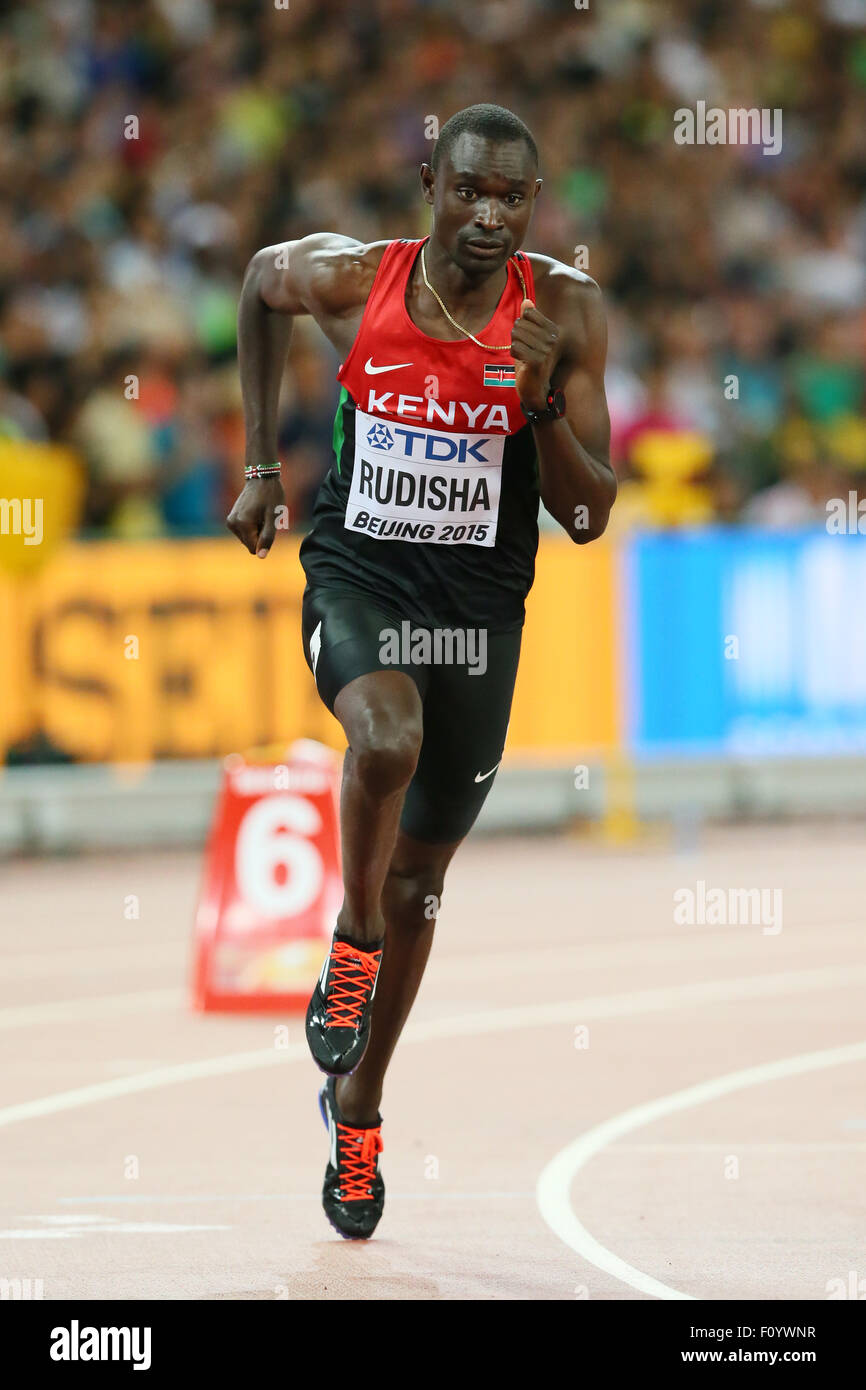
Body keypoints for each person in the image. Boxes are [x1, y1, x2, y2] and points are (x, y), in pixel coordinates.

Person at [228, 103, 616, 1240]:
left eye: (511, 198)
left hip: (482, 615)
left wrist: (539, 399)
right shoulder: (357, 280)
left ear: (532, 205)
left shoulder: (566, 310)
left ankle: (360, 1102)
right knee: (382, 743)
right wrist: (261, 461)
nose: (488, 216)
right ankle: (348, 942)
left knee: (425, 879)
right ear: (429, 186)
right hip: (358, 575)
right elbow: (257, 284)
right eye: (467, 192)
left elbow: (587, 516)